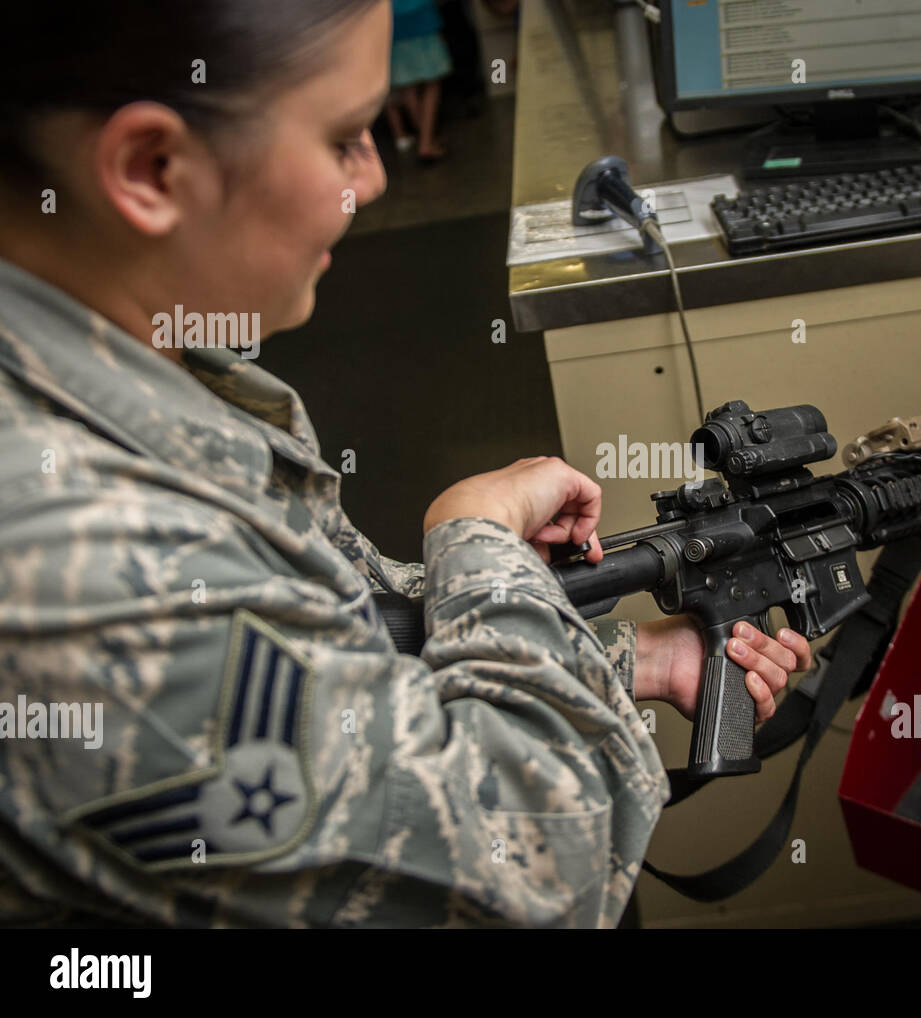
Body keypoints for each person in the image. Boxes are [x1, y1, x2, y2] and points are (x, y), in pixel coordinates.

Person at [0, 1, 811, 927]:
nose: (376, 177)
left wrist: (633, 659)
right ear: (152, 168)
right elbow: (542, 870)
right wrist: (476, 541)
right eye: (346, 136)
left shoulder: (154, 361)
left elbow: (336, 656)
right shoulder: (71, 562)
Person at [384, 0, 453, 160]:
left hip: (395, 24)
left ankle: (426, 138)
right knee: (433, 83)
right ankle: (427, 141)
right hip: (421, 20)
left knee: (408, 88)